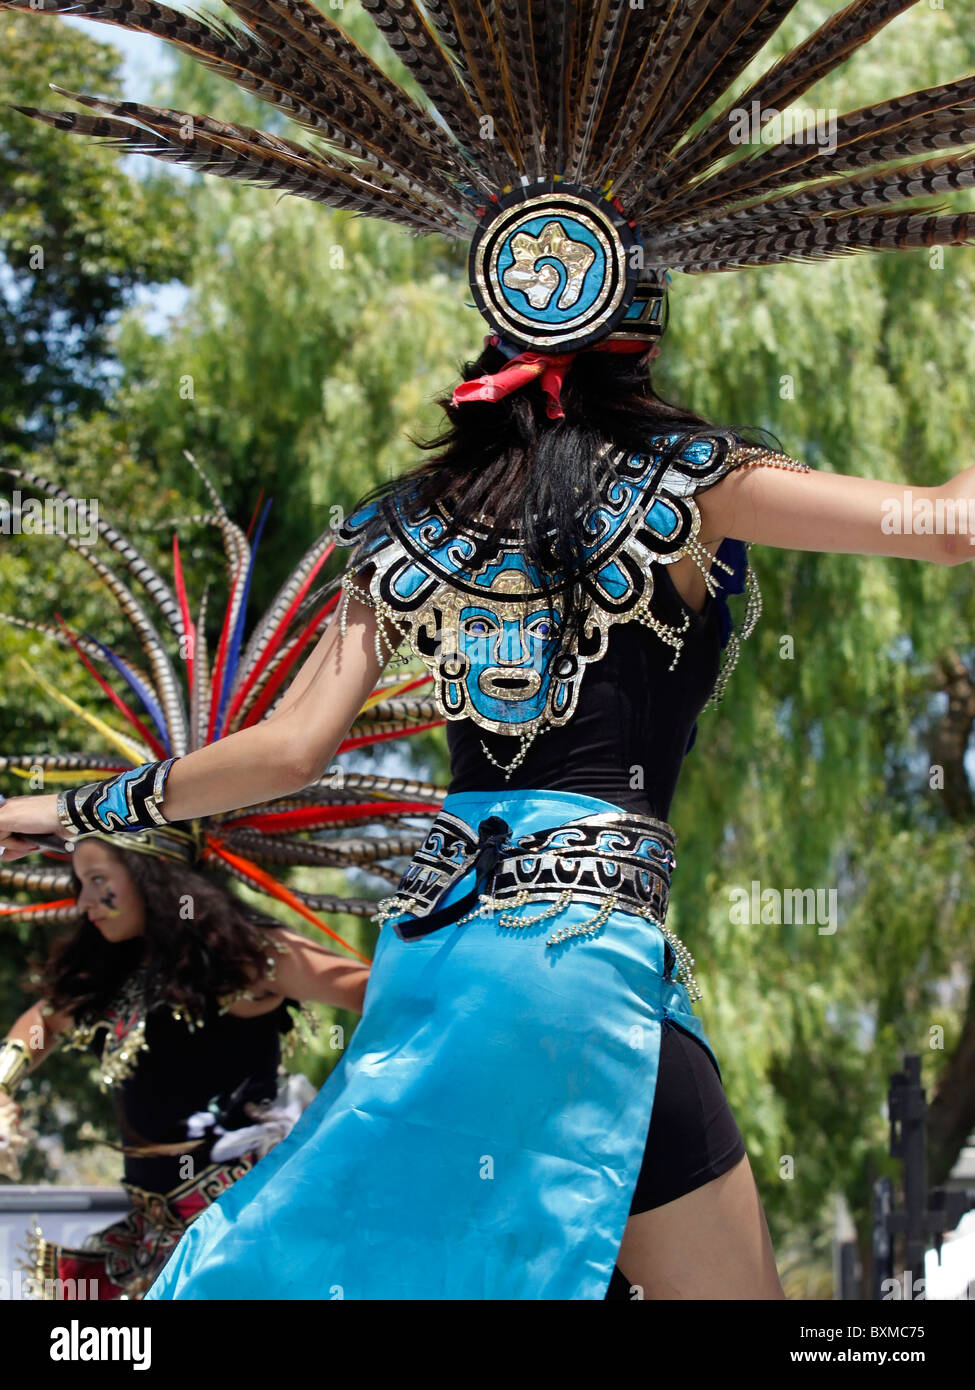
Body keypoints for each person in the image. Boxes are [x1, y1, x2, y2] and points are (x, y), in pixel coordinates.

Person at [2, 0, 974, 1301]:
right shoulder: (690, 478)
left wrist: (71, 804)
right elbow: (951, 527)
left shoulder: (401, 531)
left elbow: (284, 754)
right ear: (637, 307)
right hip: (584, 969)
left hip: (445, 963)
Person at [0, 822, 369, 1299]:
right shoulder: (111, 974)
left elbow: (377, 991)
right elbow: (43, 1022)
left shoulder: (245, 954)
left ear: (151, 873)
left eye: (98, 880)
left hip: (247, 1228)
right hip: (153, 1239)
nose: (85, 901)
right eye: (79, 883)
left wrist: (372, 1098)